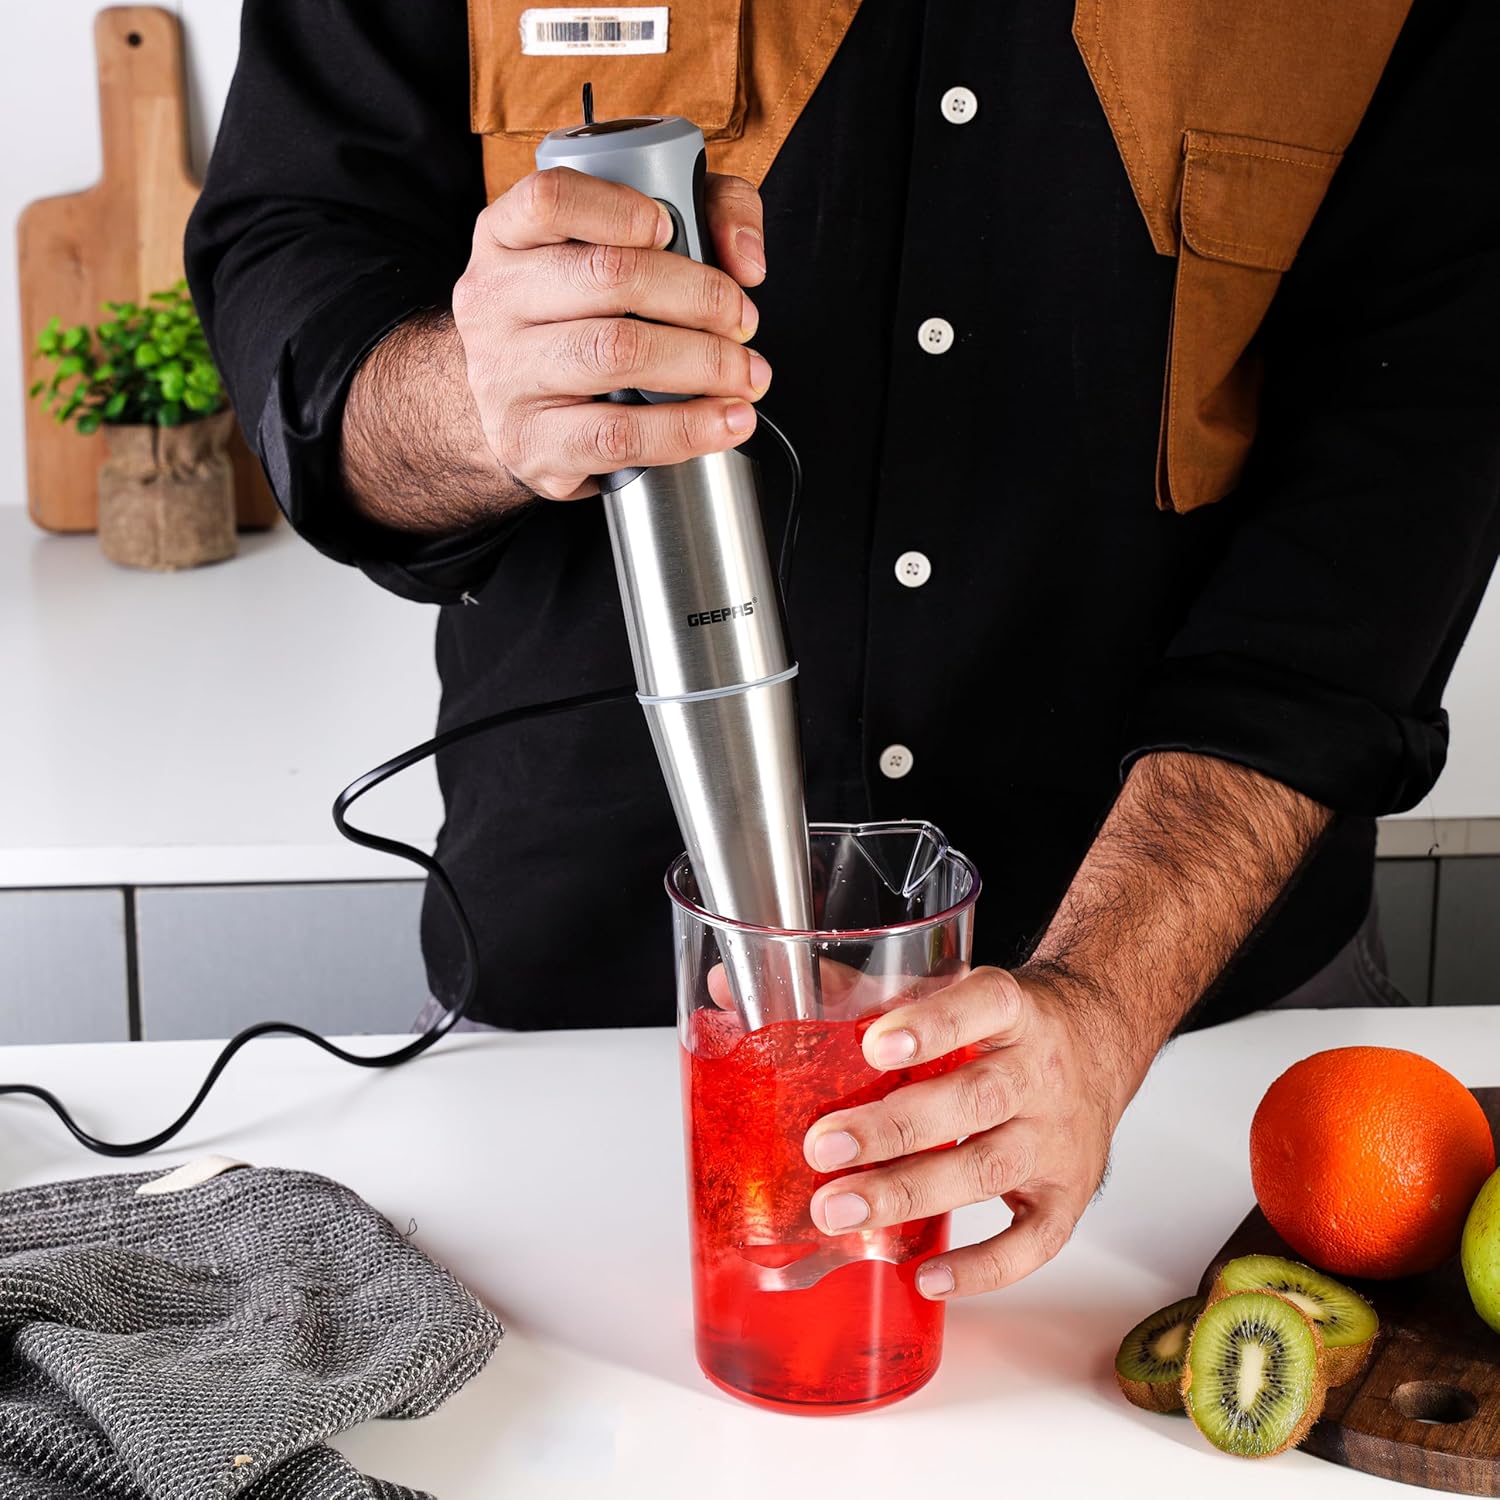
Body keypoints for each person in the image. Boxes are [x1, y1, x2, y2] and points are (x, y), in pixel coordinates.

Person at [186, 0, 1499, 1301]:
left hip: (1204, 1061)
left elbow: (1411, 462)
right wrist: (472, 402)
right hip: (576, 1051)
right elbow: (295, 262)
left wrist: (1104, 1002)